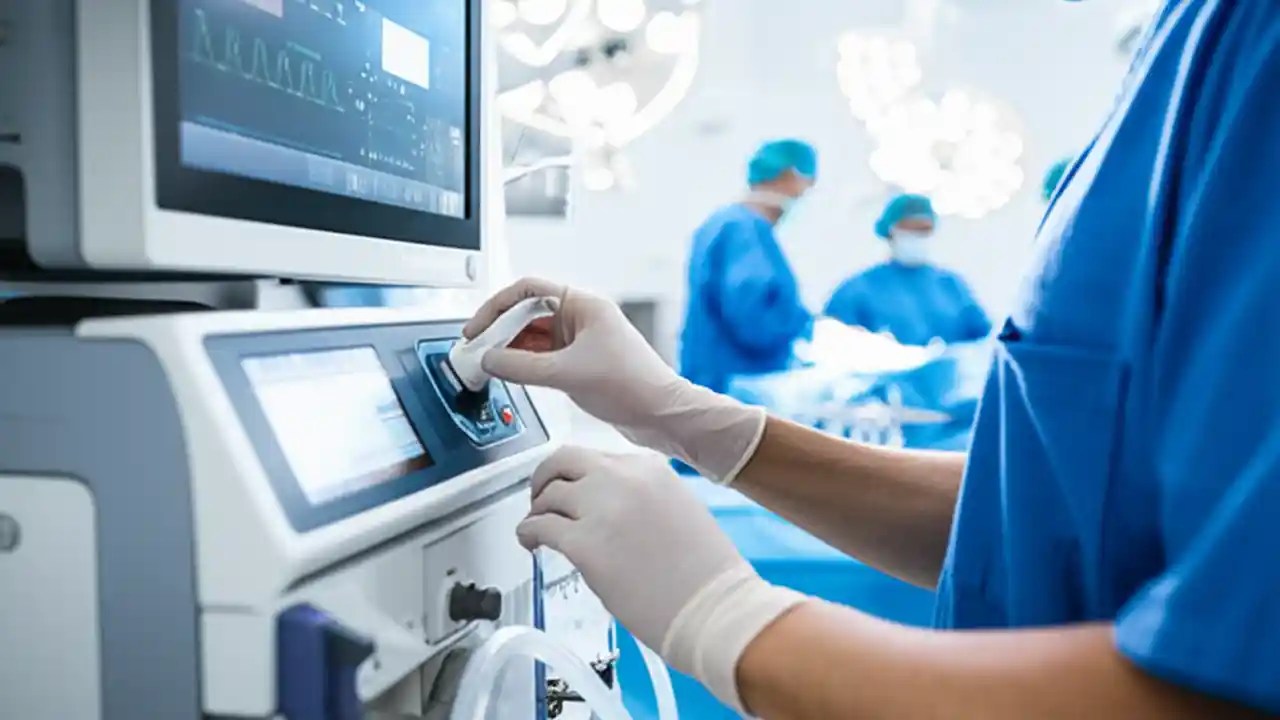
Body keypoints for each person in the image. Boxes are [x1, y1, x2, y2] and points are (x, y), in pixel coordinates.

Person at [463, 1, 1280, 716]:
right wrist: (685, 418)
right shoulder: (1201, 44)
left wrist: (725, 618)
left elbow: (1222, 683)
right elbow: (1052, 508)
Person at [677, 139, 815, 395]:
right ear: (789, 177)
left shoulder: (725, 224)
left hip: (715, 383)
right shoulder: (744, 230)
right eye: (806, 186)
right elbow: (752, 319)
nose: (805, 194)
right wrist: (808, 332)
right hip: (737, 386)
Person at [823, 194, 992, 345]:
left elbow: (984, 342)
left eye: (923, 229)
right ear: (890, 232)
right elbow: (831, 347)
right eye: (908, 228)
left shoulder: (951, 286)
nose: (916, 235)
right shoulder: (857, 291)